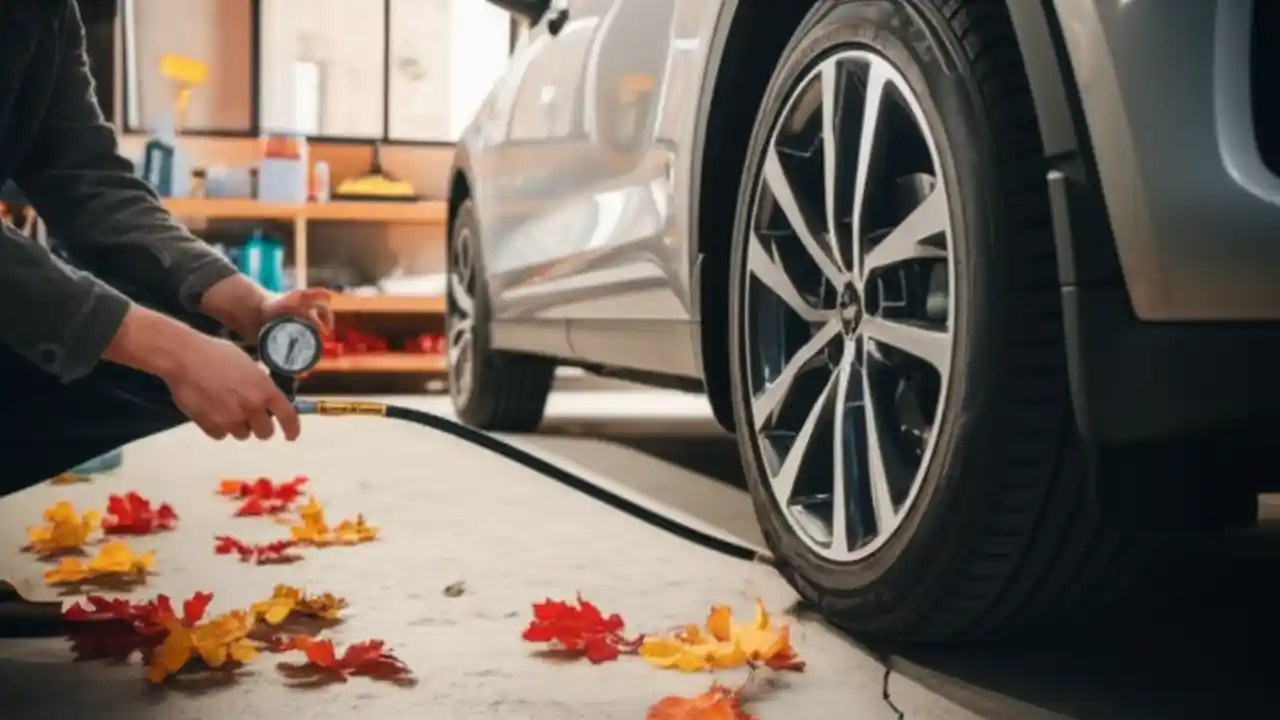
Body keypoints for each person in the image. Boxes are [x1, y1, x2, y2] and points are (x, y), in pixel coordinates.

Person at [0, 0, 332, 492]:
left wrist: (248, 302)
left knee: (155, 380)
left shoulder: (48, 16)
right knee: (163, 357)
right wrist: (174, 352)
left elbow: (90, 182)